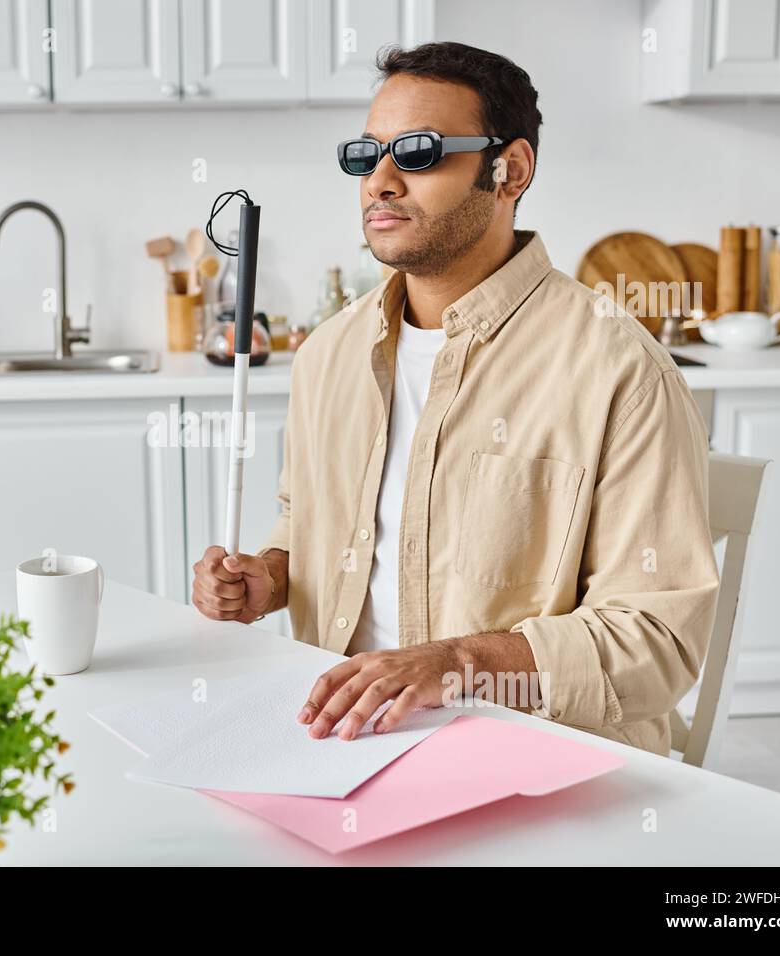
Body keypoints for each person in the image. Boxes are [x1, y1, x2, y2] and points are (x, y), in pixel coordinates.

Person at [190, 42, 719, 756]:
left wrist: (455, 667)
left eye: (417, 153)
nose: (379, 181)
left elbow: (658, 642)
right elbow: (307, 523)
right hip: (339, 739)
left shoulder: (619, 371)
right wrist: (272, 576)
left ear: (510, 170)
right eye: (365, 155)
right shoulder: (327, 356)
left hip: (531, 757)